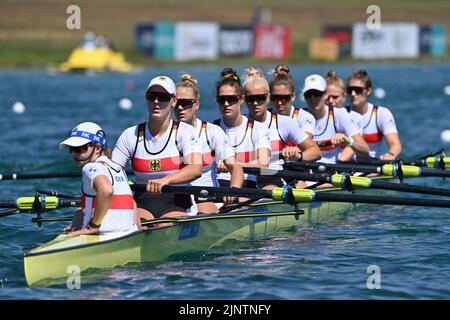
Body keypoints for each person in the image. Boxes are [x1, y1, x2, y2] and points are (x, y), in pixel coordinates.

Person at [112, 75, 203, 221]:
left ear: (173, 101)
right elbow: (112, 170)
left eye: (163, 97)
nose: (156, 101)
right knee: (138, 223)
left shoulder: (185, 132)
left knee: (163, 225)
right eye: (151, 96)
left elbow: (195, 169)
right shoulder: (130, 135)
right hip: (143, 201)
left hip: (177, 201)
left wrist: (165, 180)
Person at [174, 73, 244, 213]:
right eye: (177, 103)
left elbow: (236, 169)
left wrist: (233, 191)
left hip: (207, 196)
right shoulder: (165, 134)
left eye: (186, 103)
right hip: (175, 197)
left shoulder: (212, 132)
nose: (180, 108)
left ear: (196, 105)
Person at [243, 67, 321, 189]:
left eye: (260, 98)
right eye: (250, 99)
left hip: (271, 174)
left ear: (267, 98)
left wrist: (299, 156)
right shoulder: (237, 124)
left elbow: (315, 152)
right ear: (243, 99)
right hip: (242, 175)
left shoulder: (285, 122)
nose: (255, 103)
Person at [59, 122, 138, 236]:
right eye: (71, 149)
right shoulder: (118, 169)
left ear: (98, 148)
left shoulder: (90, 167)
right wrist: (136, 231)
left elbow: (106, 190)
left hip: (102, 236)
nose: (74, 154)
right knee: (79, 213)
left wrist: (93, 228)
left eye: (80, 148)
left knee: (79, 215)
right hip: (129, 233)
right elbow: (132, 203)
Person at [213, 68, 271, 188]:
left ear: (241, 99)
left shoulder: (258, 128)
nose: (226, 104)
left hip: (246, 185)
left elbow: (263, 162)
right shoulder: (211, 129)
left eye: (231, 99)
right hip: (218, 186)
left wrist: (233, 165)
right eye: (221, 100)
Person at [303, 74, 370, 164]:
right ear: (303, 96)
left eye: (317, 94)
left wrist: (348, 140)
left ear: (325, 94)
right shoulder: (299, 116)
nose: (313, 98)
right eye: (308, 94)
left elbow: (365, 149)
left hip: (333, 171)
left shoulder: (341, 115)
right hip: (305, 172)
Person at [347, 70, 402, 160]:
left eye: (358, 90)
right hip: (346, 168)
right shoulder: (342, 114)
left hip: (372, 169)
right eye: (350, 90)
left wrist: (391, 155)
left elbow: (395, 144)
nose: (353, 94)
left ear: (368, 91)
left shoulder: (381, 114)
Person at [325, 70, 364, 160]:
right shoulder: (315, 116)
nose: (331, 101)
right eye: (328, 97)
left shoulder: (355, 117)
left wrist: (338, 163)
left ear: (344, 96)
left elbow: (352, 147)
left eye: (335, 97)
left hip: (345, 166)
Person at [269, 64, 316, 138]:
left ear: (293, 96)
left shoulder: (305, 117)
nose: (279, 102)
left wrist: (294, 149)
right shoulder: (263, 118)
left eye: (284, 98)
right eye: (275, 97)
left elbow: (307, 141)